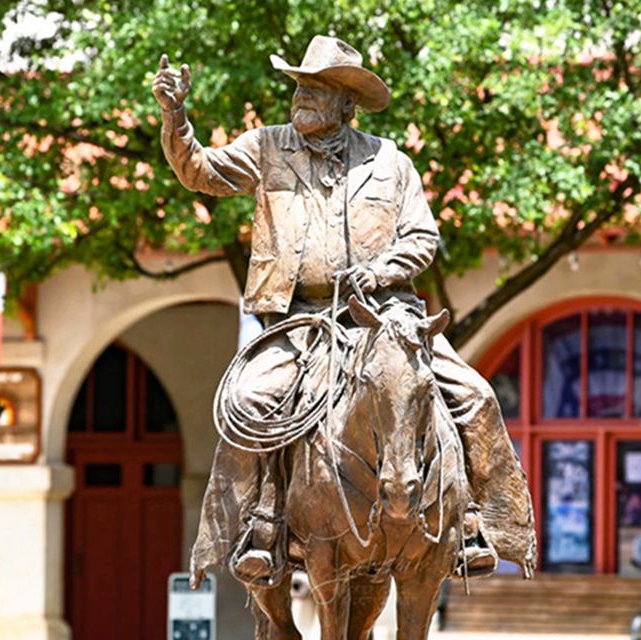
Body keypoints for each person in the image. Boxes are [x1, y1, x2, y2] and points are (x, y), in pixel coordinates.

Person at [152, 36, 536, 584]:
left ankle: (473, 522)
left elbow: (422, 237)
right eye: (300, 87)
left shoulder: (391, 162)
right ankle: (258, 527)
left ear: (346, 104)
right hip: (296, 321)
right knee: (248, 400)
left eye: (318, 89)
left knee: (473, 395)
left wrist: (380, 273)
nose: (302, 96)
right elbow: (200, 172)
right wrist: (175, 117)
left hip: (385, 315)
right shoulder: (265, 147)